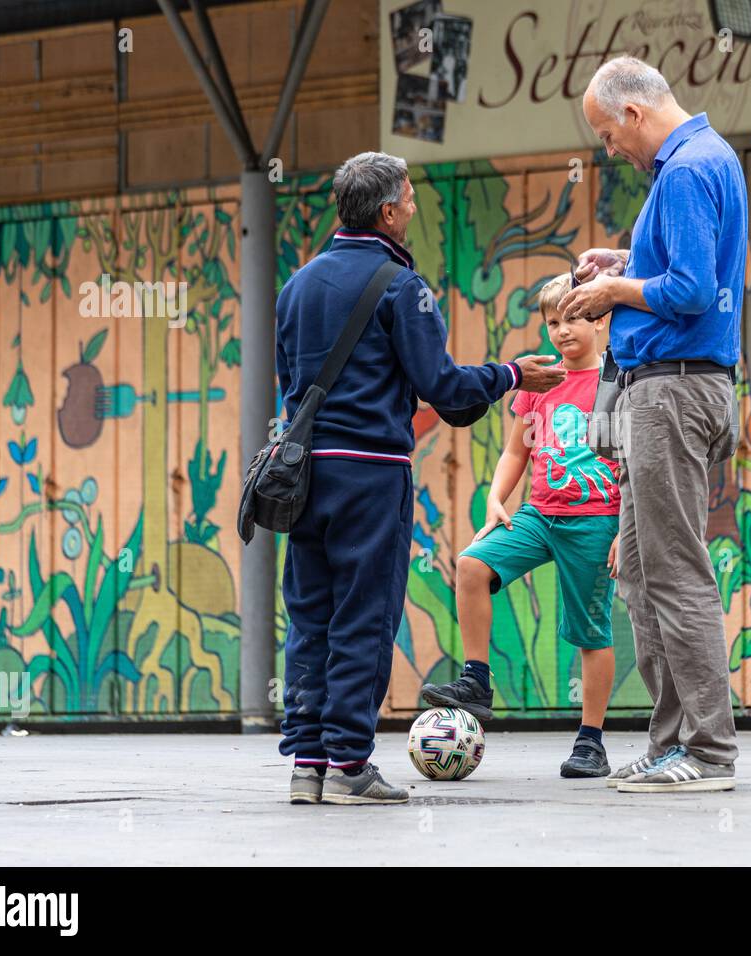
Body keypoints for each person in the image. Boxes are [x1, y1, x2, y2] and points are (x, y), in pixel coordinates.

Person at [276, 151, 566, 806]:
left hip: (302, 479)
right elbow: (446, 389)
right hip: (371, 476)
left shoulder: (296, 287)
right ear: (386, 212)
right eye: (408, 198)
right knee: (363, 616)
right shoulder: (401, 287)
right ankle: (351, 766)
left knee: (311, 618)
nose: (413, 206)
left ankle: (309, 766)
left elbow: (290, 390)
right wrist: (513, 375)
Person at [560, 56, 747, 793]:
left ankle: (707, 752)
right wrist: (626, 260)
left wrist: (612, 288)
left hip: (672, 393)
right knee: (639, 571)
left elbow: (693, 290)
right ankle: (672, 743)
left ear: (634, 114)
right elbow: (677, 268)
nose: (611, 150)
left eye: (608, 136)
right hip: (661, 393)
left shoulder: (686, 170)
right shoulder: (704, 160)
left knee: (674, 572)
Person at [419, 273, 621, 778]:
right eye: (553, 322)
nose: (562, 330)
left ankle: (591, 742)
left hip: (595, 519)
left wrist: (627, 528)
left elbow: (635, 460)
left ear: (600, 320)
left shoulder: (616, 383)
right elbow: (516, 449)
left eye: (574, 318)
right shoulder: (540, 382)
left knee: (590, 631)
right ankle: (476, 681)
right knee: (470, 565)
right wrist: (494, 496)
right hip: (538, 512)